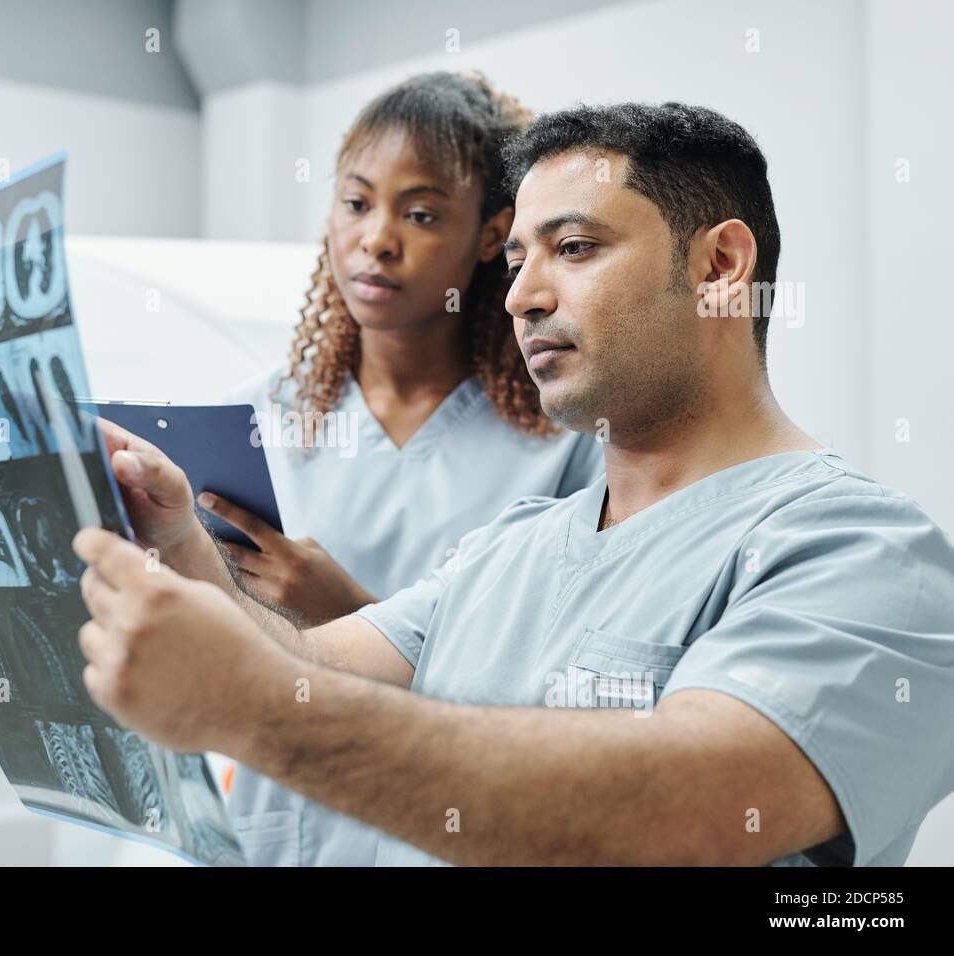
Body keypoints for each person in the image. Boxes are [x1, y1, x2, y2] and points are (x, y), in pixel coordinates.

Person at [72, 102, 954, 866]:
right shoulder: (510, 547)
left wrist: (252, 714)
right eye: (517, 261)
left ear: (720, 267)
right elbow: (302, 666)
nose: (521, 297)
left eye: (574, 247)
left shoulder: (865, 556)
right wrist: (175, 536)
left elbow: (687, 812)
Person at [211, 72, 601, 866]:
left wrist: (348, 612)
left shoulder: (567, 444)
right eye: (356, 204)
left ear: (493, 235)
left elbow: (565, 697)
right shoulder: (255, 422)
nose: (377, 239)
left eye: (420, 214)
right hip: (274, 834)